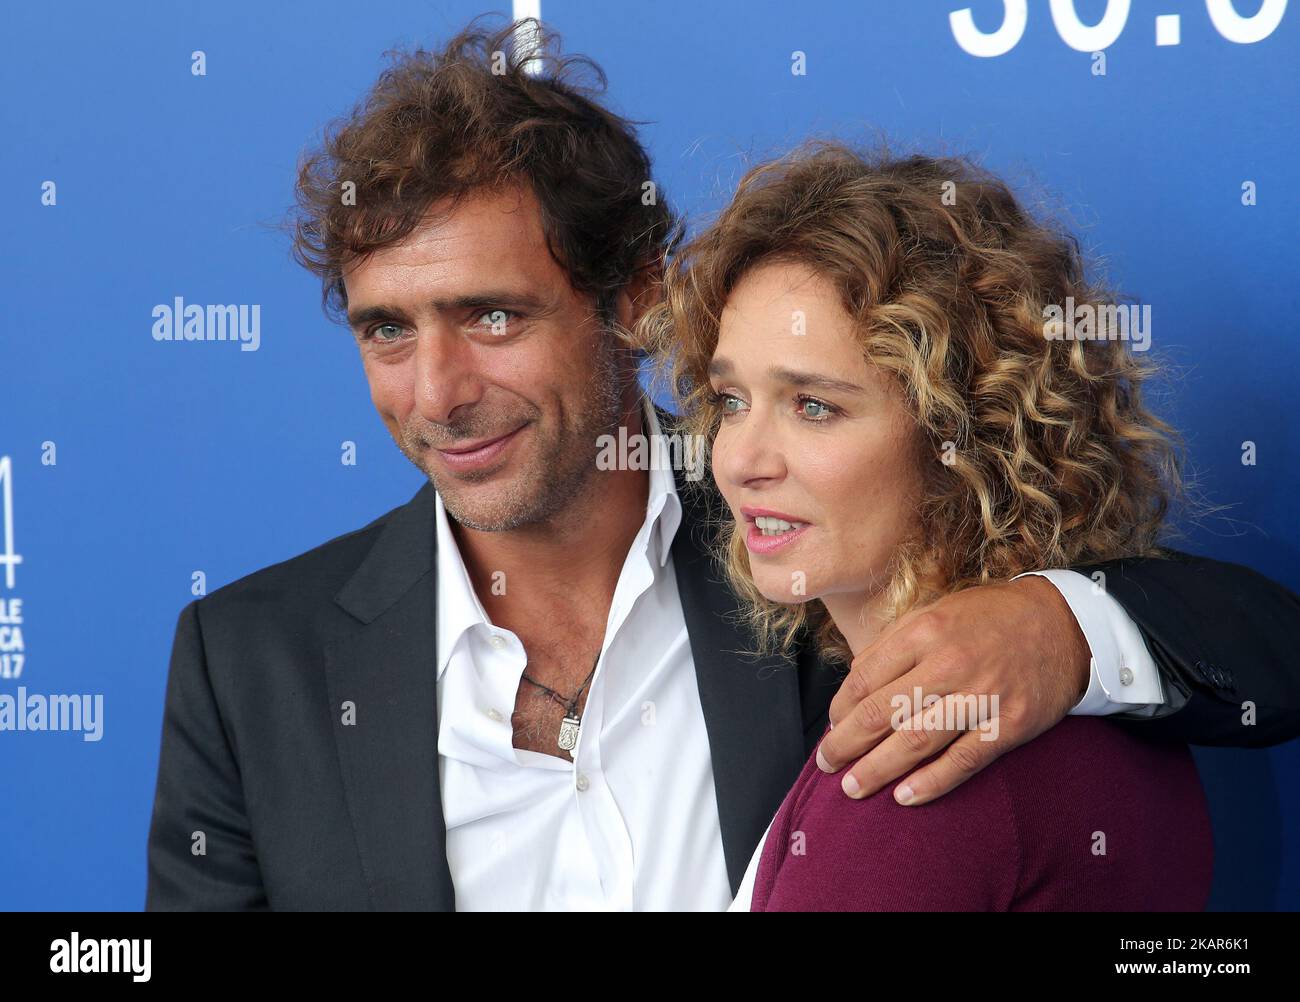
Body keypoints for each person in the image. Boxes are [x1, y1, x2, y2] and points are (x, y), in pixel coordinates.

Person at [145, 18, 1300, 911]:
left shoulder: (814, 552)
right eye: (384, 329)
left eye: (491, 316)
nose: (435, 392)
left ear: (638, 298)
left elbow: (1264, 654)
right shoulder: (252, 663)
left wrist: (1057, 626)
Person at [642, 143, 1220, 909]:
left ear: (964, 440)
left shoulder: (909, 771)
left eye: (814, 406)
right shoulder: (1109, 728)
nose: (740, 459)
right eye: (732, 402)